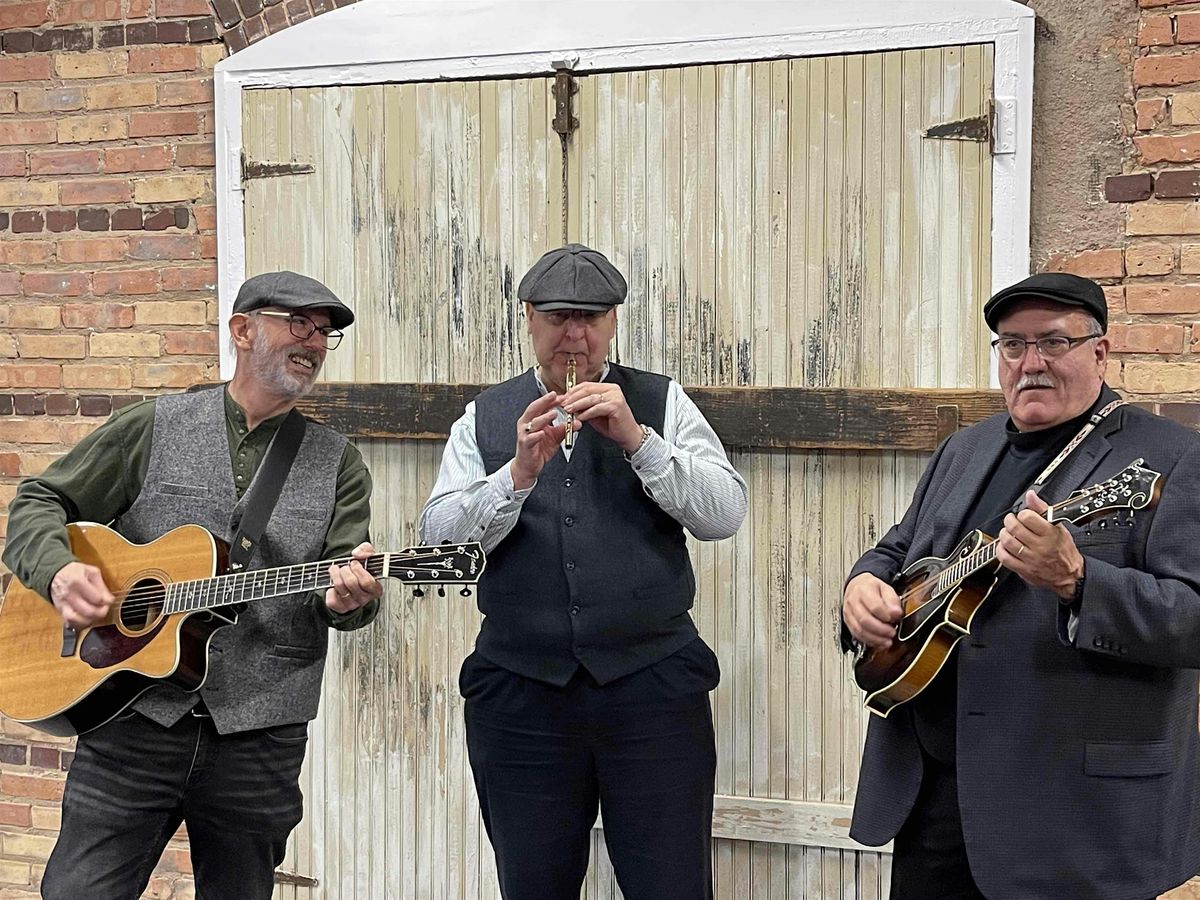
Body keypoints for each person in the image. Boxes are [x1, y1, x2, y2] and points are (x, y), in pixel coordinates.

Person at [3, 270, 384, 900]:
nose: (314, 342)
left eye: (324, 333)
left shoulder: (338, 462)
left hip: (259, 735)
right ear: (241, 329)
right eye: (299, 324)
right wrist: (59, 570)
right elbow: (40, 500)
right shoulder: (154, 426)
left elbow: (345, 585)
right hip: (132, 718)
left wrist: (350, 600)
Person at [841, 272, 1200, 899]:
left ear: (1100, 351)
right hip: (934, 798)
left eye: (1054, 343)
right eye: (1013, 345)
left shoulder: (1172, 458)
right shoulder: (963, 448)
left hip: (1072, 816)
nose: (1031, 362)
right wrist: (862, 585)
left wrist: (1079, 582)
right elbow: (899, 549)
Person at [420, 244, 747, 900]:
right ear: (530, 319)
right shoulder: (483, 416)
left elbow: (725, 512)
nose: (576, 334)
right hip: (521, 697)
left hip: (652, 690)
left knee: (673, 886)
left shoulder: (661, 400)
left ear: (615, 321)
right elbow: (438, 544)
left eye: (592, 317)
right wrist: (517, 474)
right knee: (533, 885)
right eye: (559, 317)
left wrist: (639, 441)